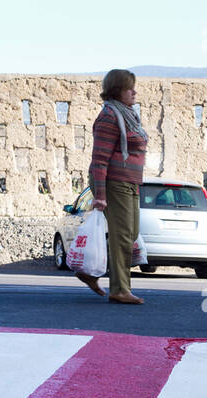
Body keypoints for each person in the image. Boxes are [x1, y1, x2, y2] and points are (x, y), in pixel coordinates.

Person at [78, 69, 147, 304]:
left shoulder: (127, 114)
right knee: (123, 238)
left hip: (130, 182)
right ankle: (119, 289)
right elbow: (99, 158)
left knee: (131, 234)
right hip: (114, 182)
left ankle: (89, 271)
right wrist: (99, 195)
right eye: (129, 88)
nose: (134, 92)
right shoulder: (109, 116)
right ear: (118, 90)